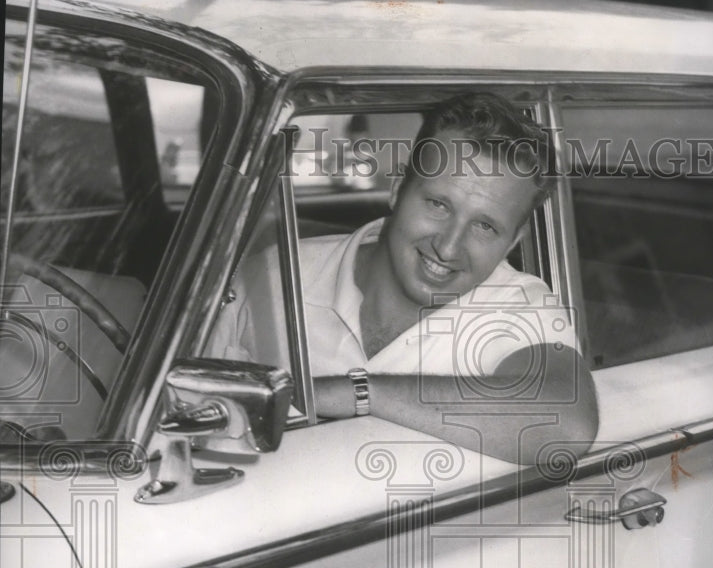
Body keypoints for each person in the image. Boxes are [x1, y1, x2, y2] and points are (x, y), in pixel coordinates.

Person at [209, 92, 598, 463]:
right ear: (397, 188)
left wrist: (358, 392)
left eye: (484, 226)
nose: (448, 247)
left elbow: (567, 425)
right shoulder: (272, 273)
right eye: (437, 204)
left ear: (513, 240)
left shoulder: (519, 304)